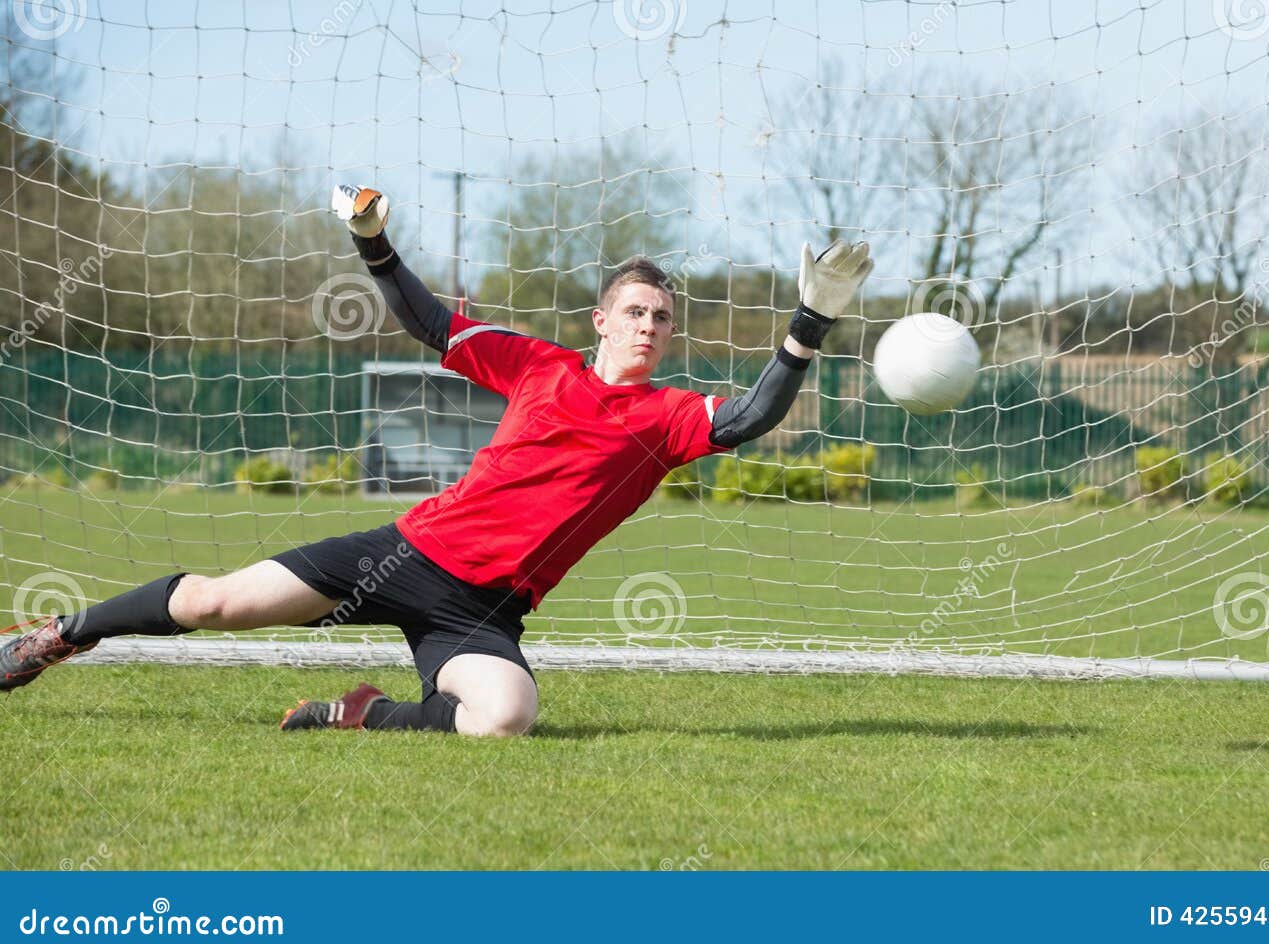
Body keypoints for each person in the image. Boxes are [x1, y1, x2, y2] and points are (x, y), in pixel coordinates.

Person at [0, 184, 873, 736]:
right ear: (602, 321)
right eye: (635, 311)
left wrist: (810, 323)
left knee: (504, 719)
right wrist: (372, 241)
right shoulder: (538, 364)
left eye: (663, 317)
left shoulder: (667, 418)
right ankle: (54, 638)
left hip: (484, 612)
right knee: (213, 600)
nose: (651, 325)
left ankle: (365, 713)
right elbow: (428, 322)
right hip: (405, 556)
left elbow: (755, 413)